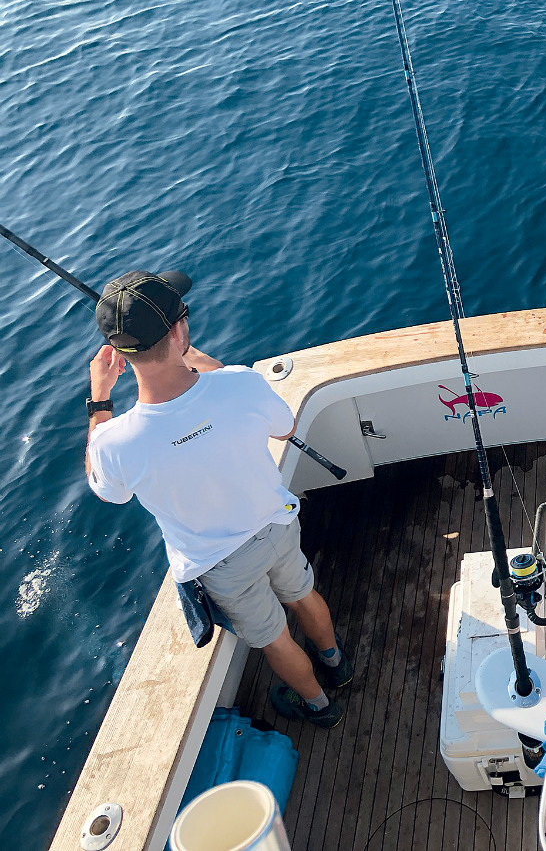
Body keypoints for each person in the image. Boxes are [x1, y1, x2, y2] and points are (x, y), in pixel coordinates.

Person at [84, 270, 353, 727]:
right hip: (277, 528)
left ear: (118, 356)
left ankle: (320, 708)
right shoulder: (240, 384)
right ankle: (335, 664)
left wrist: (100, 400)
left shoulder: (114, 442)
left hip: (221, 566)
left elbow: (106, 490)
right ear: (179, 331)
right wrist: (192, 357)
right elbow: (284, 427)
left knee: (275, 640)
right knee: (304, 595)